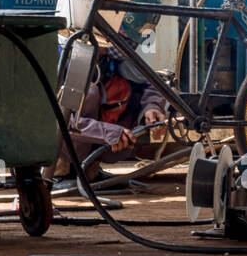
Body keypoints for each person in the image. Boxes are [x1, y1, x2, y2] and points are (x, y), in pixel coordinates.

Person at [51, 48, 168, 187]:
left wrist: (152, 107)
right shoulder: (61, 57)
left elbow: (150, 83)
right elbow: (57, 120)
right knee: (88, 94)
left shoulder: (112, 58)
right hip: (57, 141)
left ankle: (90, 170)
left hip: (90, 145)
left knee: (122, 89)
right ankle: (59, 171)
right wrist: (106, 132)